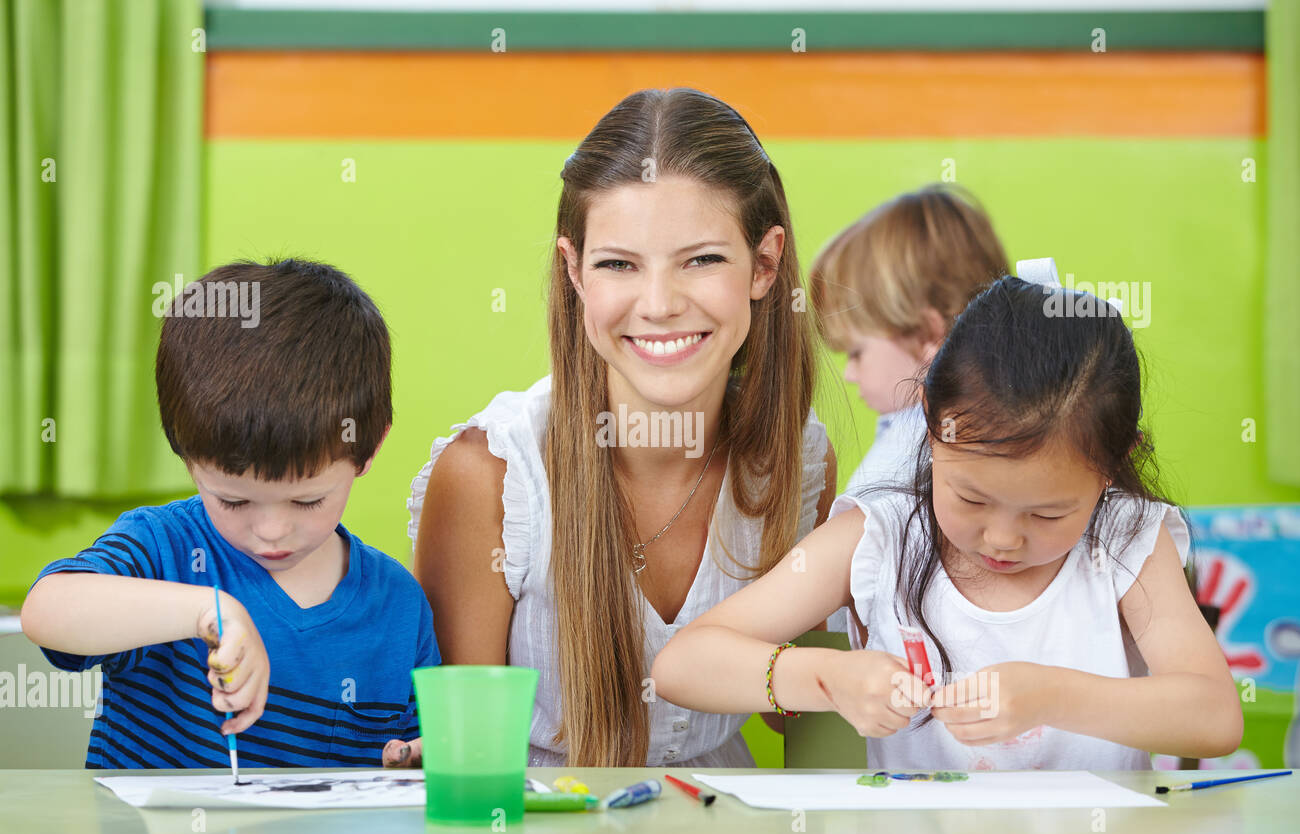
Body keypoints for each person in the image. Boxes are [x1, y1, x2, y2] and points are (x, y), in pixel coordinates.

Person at [388, 88, 836, 769]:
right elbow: (463, 766)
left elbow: (804, 723)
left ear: (765, 265)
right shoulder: (490, 479)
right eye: (618, 264)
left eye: (702, 260)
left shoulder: (799, 462)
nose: (658, 305)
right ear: (574, 271)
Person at [652, 276, 1243, 770]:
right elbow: (683, 664)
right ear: (931, 423)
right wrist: (829, 677)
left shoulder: (1124, 543)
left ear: (1115, 466)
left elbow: (1215, 717)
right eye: (972, 498)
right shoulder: (880, 538)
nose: (1004, 538)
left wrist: (1051, 696)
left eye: (1046, 513)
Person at [21, 259, 437, 769]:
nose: (270, 530)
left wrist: (421, 760)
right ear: (188, 460)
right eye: (233, 501)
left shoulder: (398, 607)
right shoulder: (164, 550)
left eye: (307, 500)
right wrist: (210, 611)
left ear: (368, 451)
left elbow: (422, 749)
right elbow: (47, 609)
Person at [810, 183, 1008, 494]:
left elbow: (862, 534)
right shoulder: (1011, 422)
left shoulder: (914, 452)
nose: (849, 374)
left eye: (857, 353)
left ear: (927, 334)